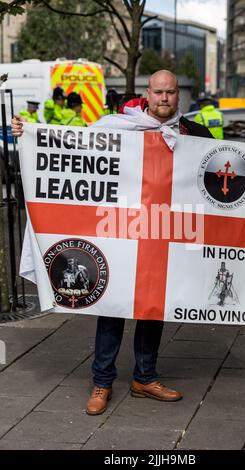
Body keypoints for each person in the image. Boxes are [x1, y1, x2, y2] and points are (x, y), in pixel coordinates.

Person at [11, 70, 213, 416]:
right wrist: (31, 134)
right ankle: (102, 382)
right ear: (147, 94)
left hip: (160, 235)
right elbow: (72, 144)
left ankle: (144, 378)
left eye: (171, 93)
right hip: (119, 234)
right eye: (158, 92)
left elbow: (230, 161)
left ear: (178, 96)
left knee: (153, 309)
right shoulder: (116, 127)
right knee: (111, 310)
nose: (164, 98)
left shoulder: (192, 134)